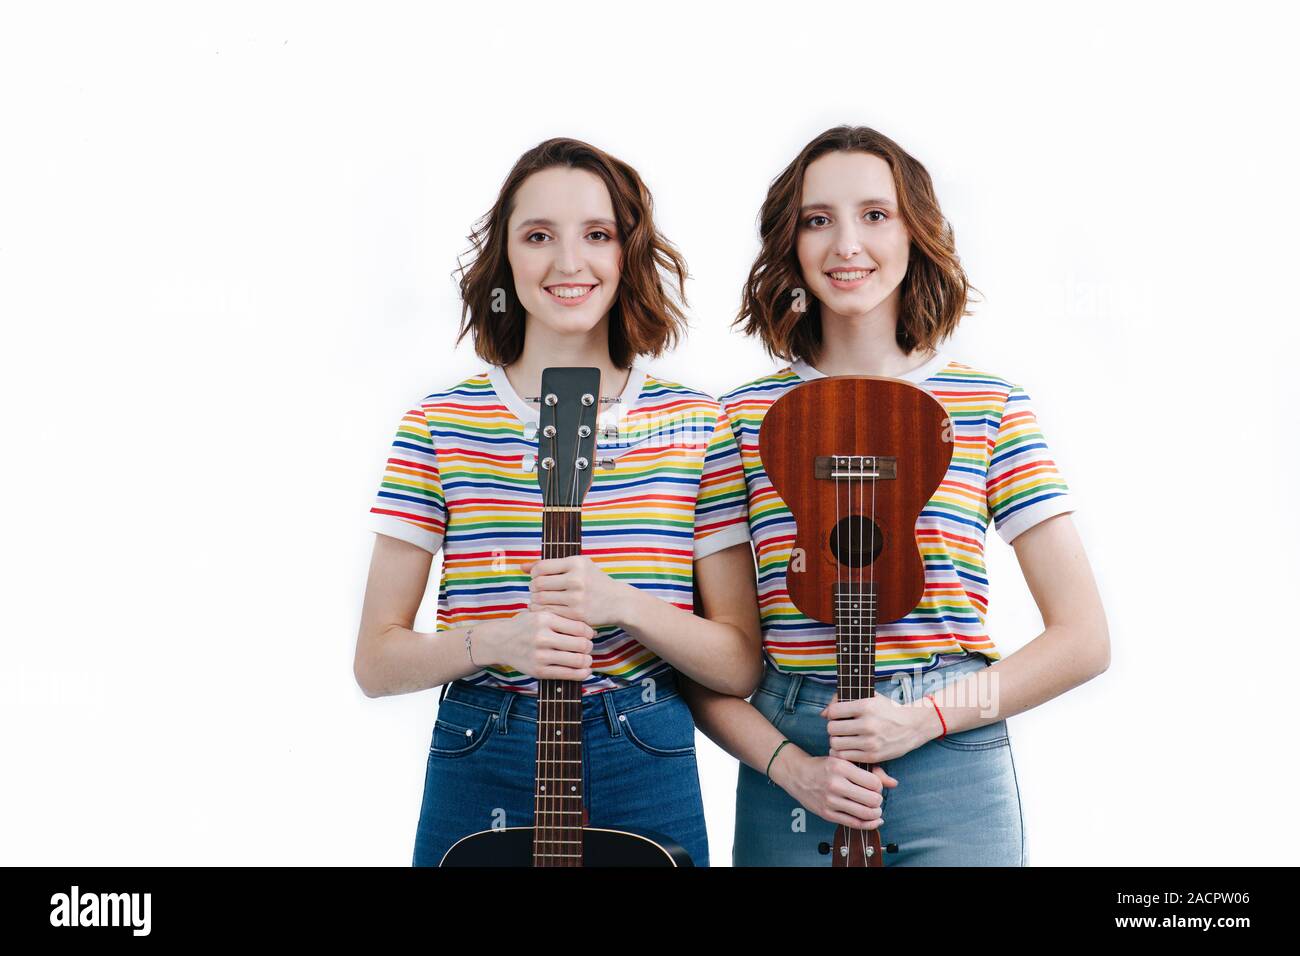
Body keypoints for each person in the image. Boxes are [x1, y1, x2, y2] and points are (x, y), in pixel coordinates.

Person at [680, 125, 1110, 866]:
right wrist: (793, 768)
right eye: (819, 220)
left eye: (875, 215)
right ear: (791, 243)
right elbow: (716, 665)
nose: (847, 244)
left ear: (917, 233)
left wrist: (927, 718)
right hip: (793, 744)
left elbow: (1083, 640)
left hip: (953, 753)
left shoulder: (988, 408)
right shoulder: (739, 420)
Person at [354, 137, 762, 867]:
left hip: (643, 744)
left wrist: (625, 603)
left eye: (597, 235)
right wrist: (495, 643)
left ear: (626, 255)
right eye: (538, 235)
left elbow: (737, 665)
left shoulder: (698, 425)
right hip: (485, 741)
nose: (569, 263)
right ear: (505, 257)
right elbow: (376, 661)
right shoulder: (438, 425)